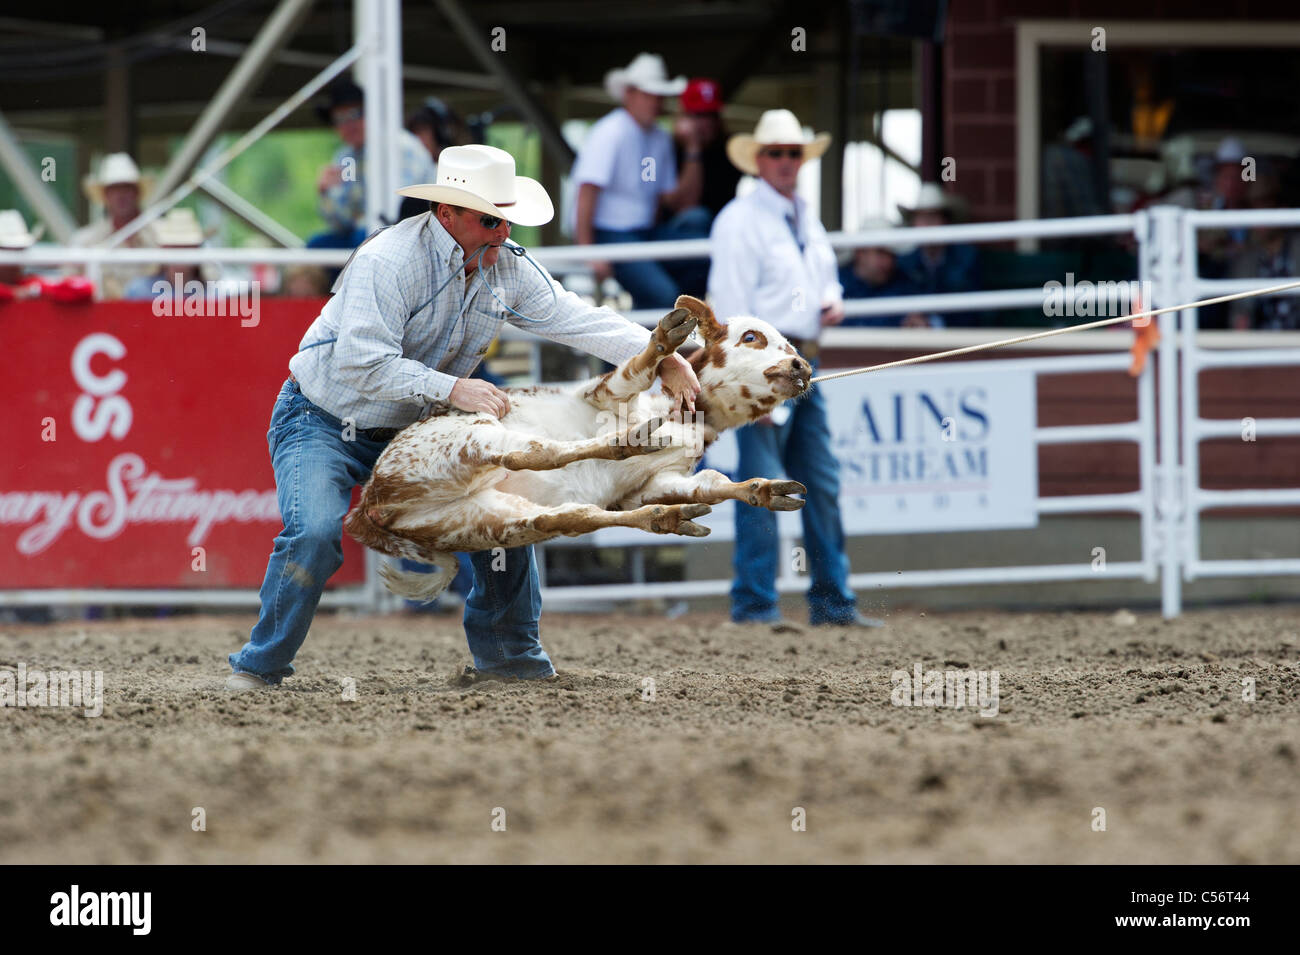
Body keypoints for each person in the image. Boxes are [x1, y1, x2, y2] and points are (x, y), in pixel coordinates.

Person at [225, 144, 701, 691]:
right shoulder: (387, 261)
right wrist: (452, 388)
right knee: (312, 534)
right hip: (321, 419)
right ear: (445, 213)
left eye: (505, 219)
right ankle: (260, 665)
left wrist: (659, 356)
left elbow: (573, 316)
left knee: (506, 513)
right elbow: (360, 361)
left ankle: (510, 659)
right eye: (489, 219)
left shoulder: (507, 265)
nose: (502, 233)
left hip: (414, 425)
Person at [708, 109, 880, 628]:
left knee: (817, 480)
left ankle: (828, 601)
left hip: (805, 359)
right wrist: (750, 385)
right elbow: (731, 309)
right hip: (768, 368)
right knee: (764, 482)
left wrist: (831, 300)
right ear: (759, 160)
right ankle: (757, 603)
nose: (786, 162)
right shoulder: (740, 221)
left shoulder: (802, 214)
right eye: (777, 153)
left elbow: (825, 278)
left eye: (793, 154)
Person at [571, 53, 709, 309]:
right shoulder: (609, 131)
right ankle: (664, 333)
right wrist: (588, 252)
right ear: (629, 95)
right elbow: (586, 191)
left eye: (659, 96)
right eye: (649, 95)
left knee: (703, 258)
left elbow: (674, 201)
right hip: (610, 233)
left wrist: (693, 148)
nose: (656, 102)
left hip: (644, 233)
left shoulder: (660, 137)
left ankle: (661, 329)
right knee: (664, 294)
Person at [309, 79, 438, 251]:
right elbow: (345, 220)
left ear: (372, 113)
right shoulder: (347, 158)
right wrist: (326, 193)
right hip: (367, 234)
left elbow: (400, 211)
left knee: (364, 237)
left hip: (414, 235)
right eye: (340, 119)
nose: (349, 125)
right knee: (316, 246)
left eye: (355, 114)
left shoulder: (399, 146)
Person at [69, 153, 159, 300]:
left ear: (137, 192)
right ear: (105, 195)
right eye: (114, 189)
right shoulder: (85, 240)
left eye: (126, 188)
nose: (121, 195)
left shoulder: (162, 236)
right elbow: (68, 283)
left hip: (153, 318)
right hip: (103, 320)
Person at [896, 183, 982, 327]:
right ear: (914, 224)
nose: (927, 225)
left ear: (945, 222)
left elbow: (974, 312)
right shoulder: (904, 262)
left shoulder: (967, 259)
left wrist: (933, 323)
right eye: (922, 218)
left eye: (933, 217)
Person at [838, 219, 928, 327]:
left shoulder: (907, 287)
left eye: (892, 255)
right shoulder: (835, 285)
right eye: (881, 252)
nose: (888, 262)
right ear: (860, 252)